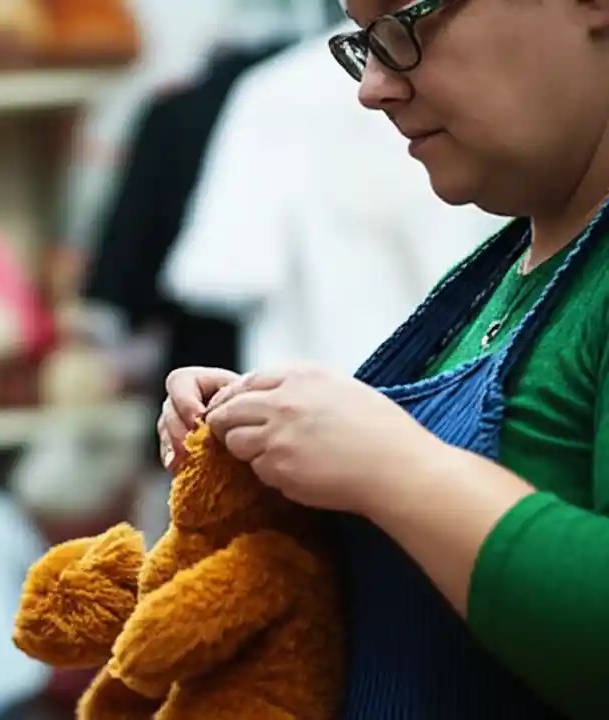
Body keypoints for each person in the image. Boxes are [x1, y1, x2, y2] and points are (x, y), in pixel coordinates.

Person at [156, 0, 609, 718]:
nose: (371, 86)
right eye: (364, 42)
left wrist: (394, 469)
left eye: (410, 21)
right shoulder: (499, 274)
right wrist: (271, 446)